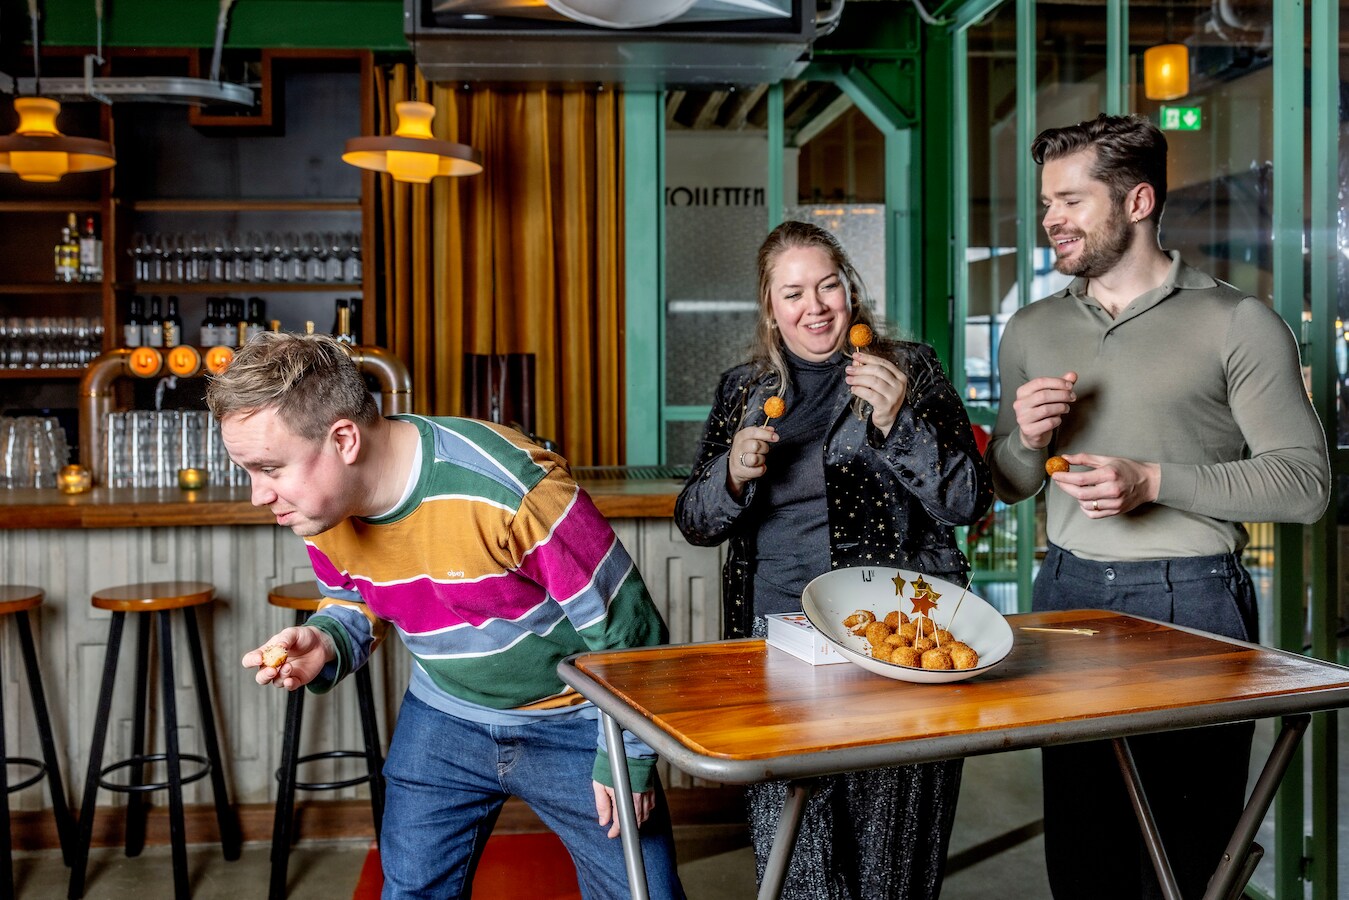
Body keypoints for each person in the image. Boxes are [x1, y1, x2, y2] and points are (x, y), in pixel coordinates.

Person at [204, 332, 685, 900]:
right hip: (444, 718)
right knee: (411, 891)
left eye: (270, 469)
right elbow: (357, 599)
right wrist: (326, 638)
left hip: (577, 720)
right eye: (249, 472)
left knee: (641, 894)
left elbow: (631, 633)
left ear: (343, 439)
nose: (259, 494)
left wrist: (627, 760)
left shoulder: (510, 488)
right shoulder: (321, 507)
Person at [985, 113, 1330, 900]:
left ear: (1137, 201)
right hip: (1066, 596)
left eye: (1070, 201)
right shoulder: (1030, 328)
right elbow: (1007, 482)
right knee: (1082, 857)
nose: (1049, 220)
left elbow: (1305, 485)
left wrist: (1152, 481)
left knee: (1186, 858)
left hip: (1194, 601)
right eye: (1046, 203)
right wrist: (1027, 441)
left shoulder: (1236, 322)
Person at [675, 220, 994, 899]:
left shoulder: (910, 369)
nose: (813, 306)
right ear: (769, 307)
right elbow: (695, 522)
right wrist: (729, 475)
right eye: (792, 293)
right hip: (777, 647)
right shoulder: (741, 390)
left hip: (892, 644)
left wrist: (895, 424)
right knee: (796, 857)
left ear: (850, 290)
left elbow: (968, 499)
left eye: (826, 286)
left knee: (890, 858)